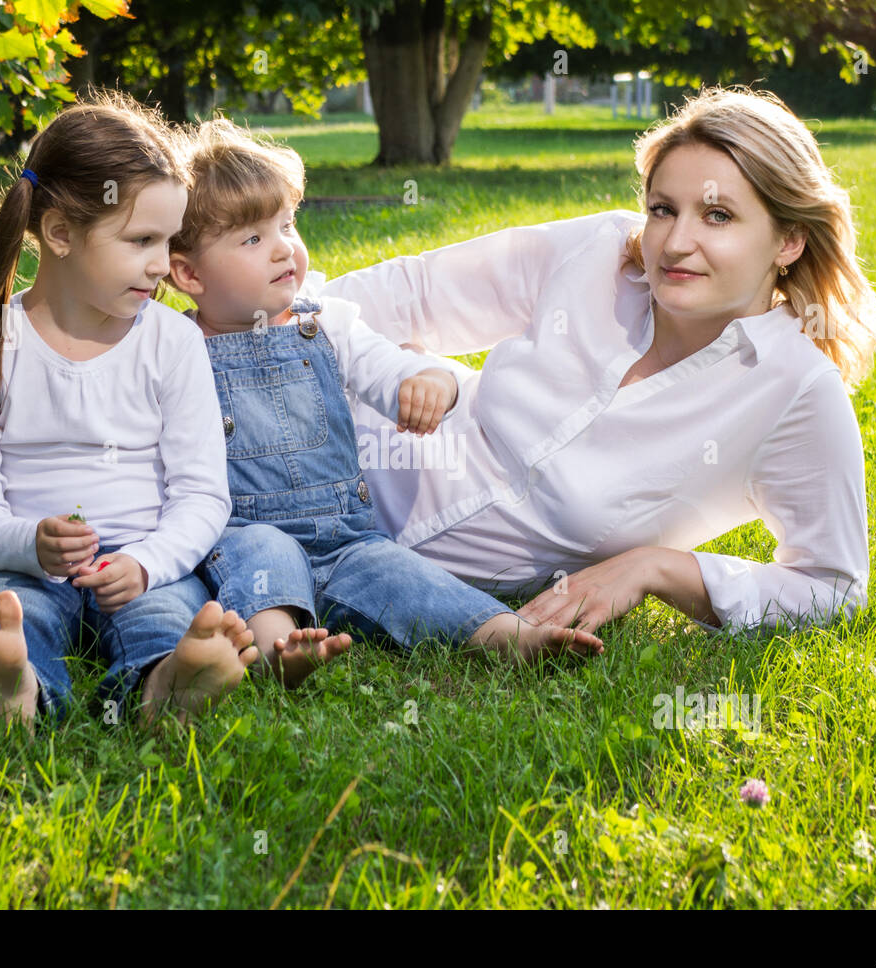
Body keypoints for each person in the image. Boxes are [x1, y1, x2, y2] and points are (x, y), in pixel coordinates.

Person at [325, 86, 876, 636]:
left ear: (789, 240)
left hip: (366, 569)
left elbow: (830, 586)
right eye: (663, 210)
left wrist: (656, 567)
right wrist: (271, 318)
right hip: (332, 437)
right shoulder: (601, 251)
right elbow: (415, 293)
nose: (676, 242)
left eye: (717, 216)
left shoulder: (796, 390)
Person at [163, 118, 604, 688]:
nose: (284, 249)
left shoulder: (326, 323)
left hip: (346, 534)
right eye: (253, 239)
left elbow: (382, 364)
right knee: (265, 565)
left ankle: (503, 636)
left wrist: (423, 381)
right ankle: (280, 651)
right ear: (188, 273)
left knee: (404, 575)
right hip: (241, 530)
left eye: (288, 225)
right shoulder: (174, 348)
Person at [0, 91, 256, 733]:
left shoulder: (171, 342)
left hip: (144, 555)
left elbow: (203, 493)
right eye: (142, 240)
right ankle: (16, 691)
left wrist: (148, 561)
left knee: (163, 615)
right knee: (5, 611)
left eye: (169, 239)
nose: (163, 265)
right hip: (25, 560)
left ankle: (164, 688)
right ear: (60, 233)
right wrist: (28, 544)